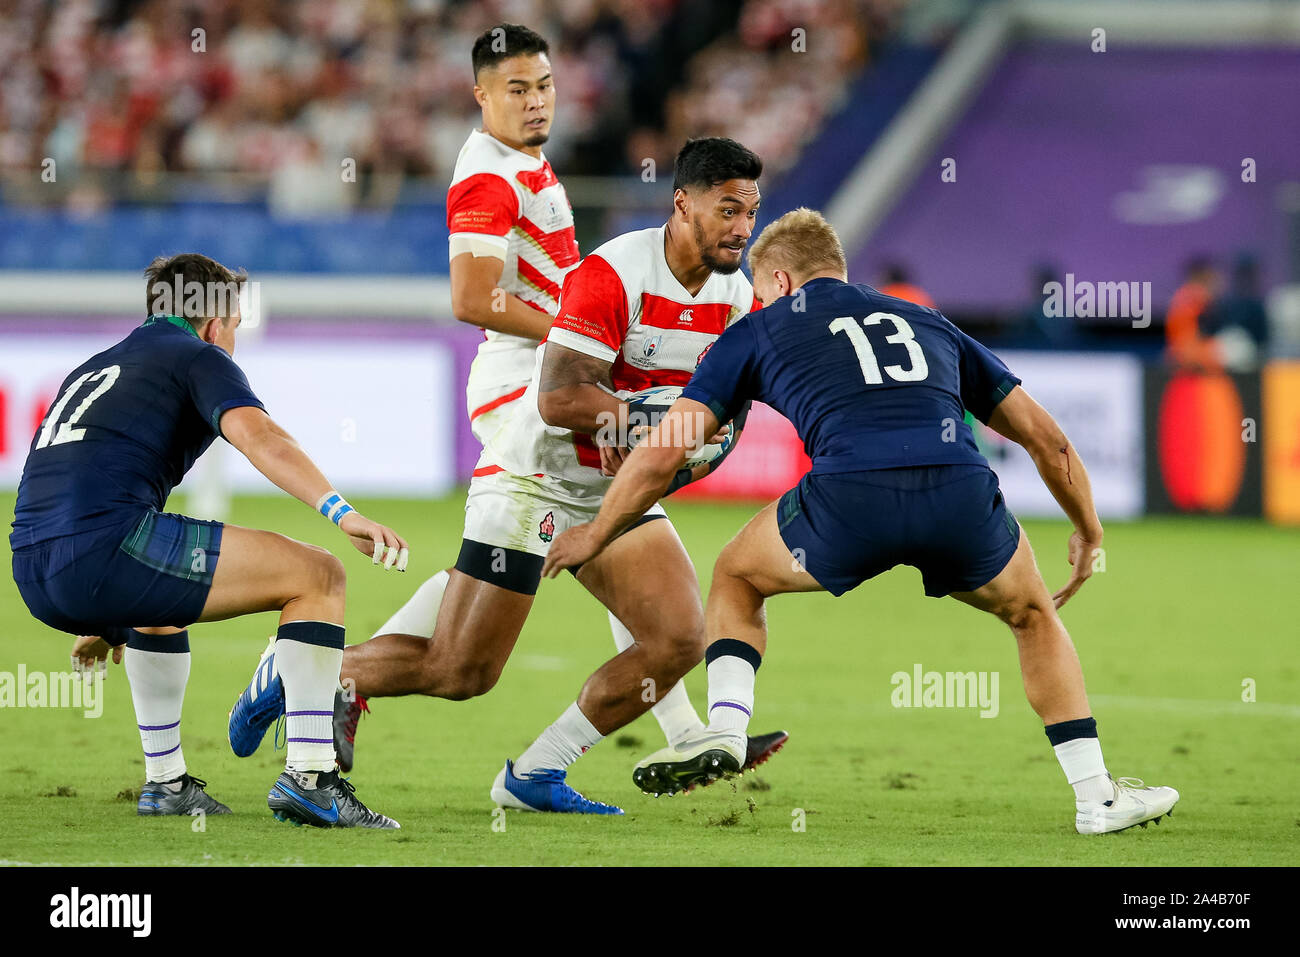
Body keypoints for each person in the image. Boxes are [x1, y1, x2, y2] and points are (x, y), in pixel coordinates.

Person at [541, 208, 1179, 835]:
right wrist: (1089, 530)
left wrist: (597, 532)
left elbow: (664, 448)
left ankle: (728, 730)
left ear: (782, 282)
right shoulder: (929, 321)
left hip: (851, 496)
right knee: (1033, 614)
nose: (758, 304)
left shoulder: (757, 332)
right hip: (956, 488)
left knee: (737, 576)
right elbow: (1048, 440)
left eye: (761, 292)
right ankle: (1096, 796)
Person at [232, 137, 787, 814]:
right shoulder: (614, 274)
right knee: (461, 670)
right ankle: (315, 670)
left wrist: (687, 443)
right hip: (532, 479)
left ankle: (535, 772)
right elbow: (557, 396)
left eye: (750, 211)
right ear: (682, 203)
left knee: (677, 639)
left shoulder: (738, 297)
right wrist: (629, 423)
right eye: (728, 209)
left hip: (613, 491)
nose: (742, 227)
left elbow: (724, 408)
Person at [322, 23, 723, 773]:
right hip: (527, 396)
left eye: (543, 86)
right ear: (480, 96)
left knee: (652, 604)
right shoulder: (489, 175)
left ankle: (658, 740)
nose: (536, 102)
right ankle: (323, 676)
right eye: (516, 89)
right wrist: (578, 337)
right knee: (465, 666)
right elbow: (472, 297)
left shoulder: (527, 164)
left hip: (551, 386)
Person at [12, 253, 408, 828]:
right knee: (320, 576)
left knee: (160, 604)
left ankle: (167, 782)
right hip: (103, 551)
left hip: (33, 571)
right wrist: (341, 512)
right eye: (236, 326)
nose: (235, 339)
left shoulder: (97, 366)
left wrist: (99, 616)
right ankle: (312, 779)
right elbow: (262, 437)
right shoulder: (198, 356)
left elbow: (78, 486)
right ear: (214, 323)